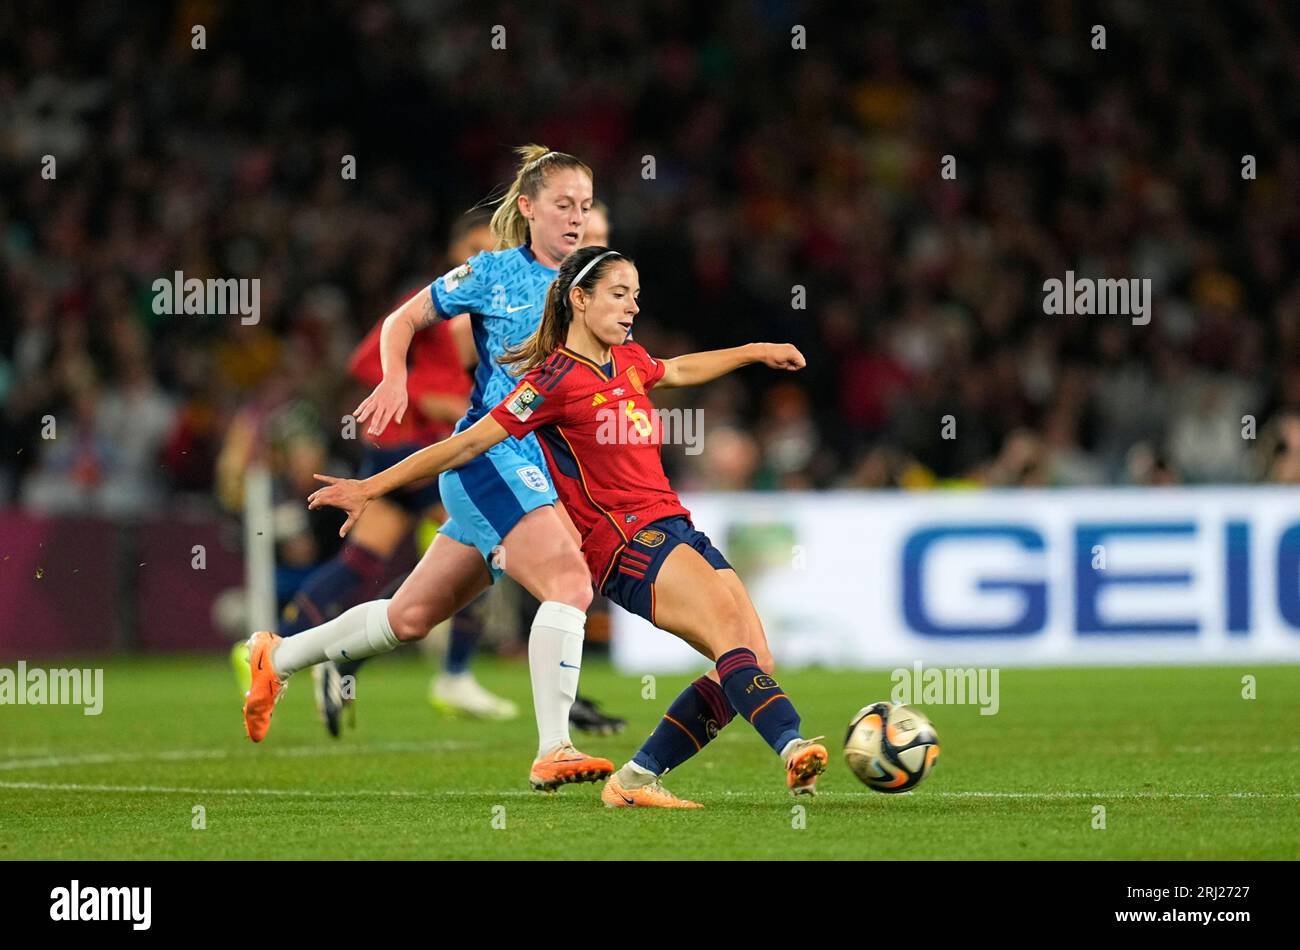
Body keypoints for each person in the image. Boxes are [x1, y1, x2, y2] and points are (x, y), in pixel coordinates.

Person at [306, 245, 829, 807]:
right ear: (579, 299)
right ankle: (792, 746)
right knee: (731, 641)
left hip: (675, 525)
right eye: (618, 294)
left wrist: (756, 352)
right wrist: (372, 486)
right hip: (624, 543)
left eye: (635, 296)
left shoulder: (628, 360)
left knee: (754, 661)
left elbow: (678, 368)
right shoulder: (552, 379)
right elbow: (467, 443)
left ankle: (634, 781)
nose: (631, 308)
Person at [242, 146, 613, 793]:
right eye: (564, 205)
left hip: (532, 467)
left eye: (585, 206)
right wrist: (394, 378)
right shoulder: (492, 274)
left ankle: (279, 655)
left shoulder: (592, 286)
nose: (578, 218)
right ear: (527, 209)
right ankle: (554, 746)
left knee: (409, 619)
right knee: (569, 582)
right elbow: (403, 319)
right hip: (487, 458)